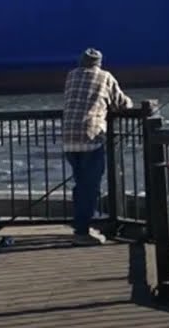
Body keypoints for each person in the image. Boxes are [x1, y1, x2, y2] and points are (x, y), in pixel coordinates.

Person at [61, 47, 134, 245]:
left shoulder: (71, 76)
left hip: (68, 139)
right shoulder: (105, 77)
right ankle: (82, 232)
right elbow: (122, 103)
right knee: (91, 187)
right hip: (90, 138)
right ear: (99, 63)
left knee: (80, 185)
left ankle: (80, 225)